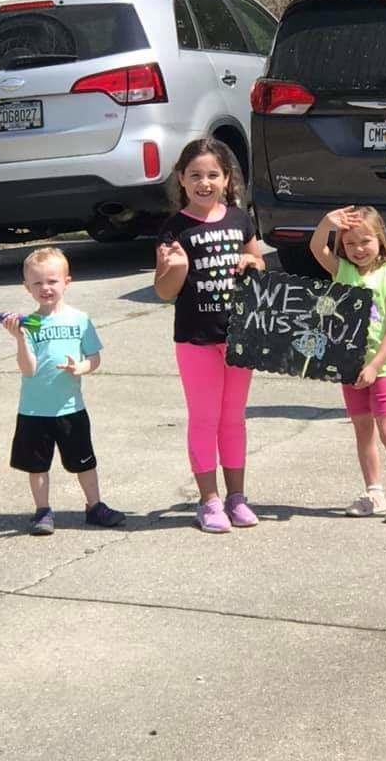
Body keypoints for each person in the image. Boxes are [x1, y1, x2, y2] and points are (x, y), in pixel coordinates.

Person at [155, 137, 265, 534]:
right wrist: (178, 268)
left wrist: (251, 260)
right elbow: (164, 291)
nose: (205, 182)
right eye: (196, 175)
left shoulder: (239, 219)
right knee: (204, 419)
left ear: (227, 179)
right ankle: (209, 500)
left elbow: (259, 266)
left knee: (233, 419)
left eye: (213, 175)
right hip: (195, 339)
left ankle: (237, 497)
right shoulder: (174, 228)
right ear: (181, 179)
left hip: (239, 338)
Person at [310, 205, 386, 523]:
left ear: (380, 239)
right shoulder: (343, 271)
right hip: (350, 367)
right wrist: (326, 222)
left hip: (382, 368)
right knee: (363, 431)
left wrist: (375, 365)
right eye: (350, 244)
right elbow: (316, 248)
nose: (358, 249)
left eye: (365, 241)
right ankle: (374, 492)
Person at [0, 247, 125, 535]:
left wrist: (82, 367)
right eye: (38, 283)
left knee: (84, 461)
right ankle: (42, 511)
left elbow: (94, 357)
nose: (46, 288)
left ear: (67, 282)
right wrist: (19, 338)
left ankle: (95, 506)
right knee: (37, 465)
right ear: (27, 288)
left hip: (71, 408)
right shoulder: (28, 324)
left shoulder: (79, 319)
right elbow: (28, 369)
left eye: (52, 281)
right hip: (34, 410)